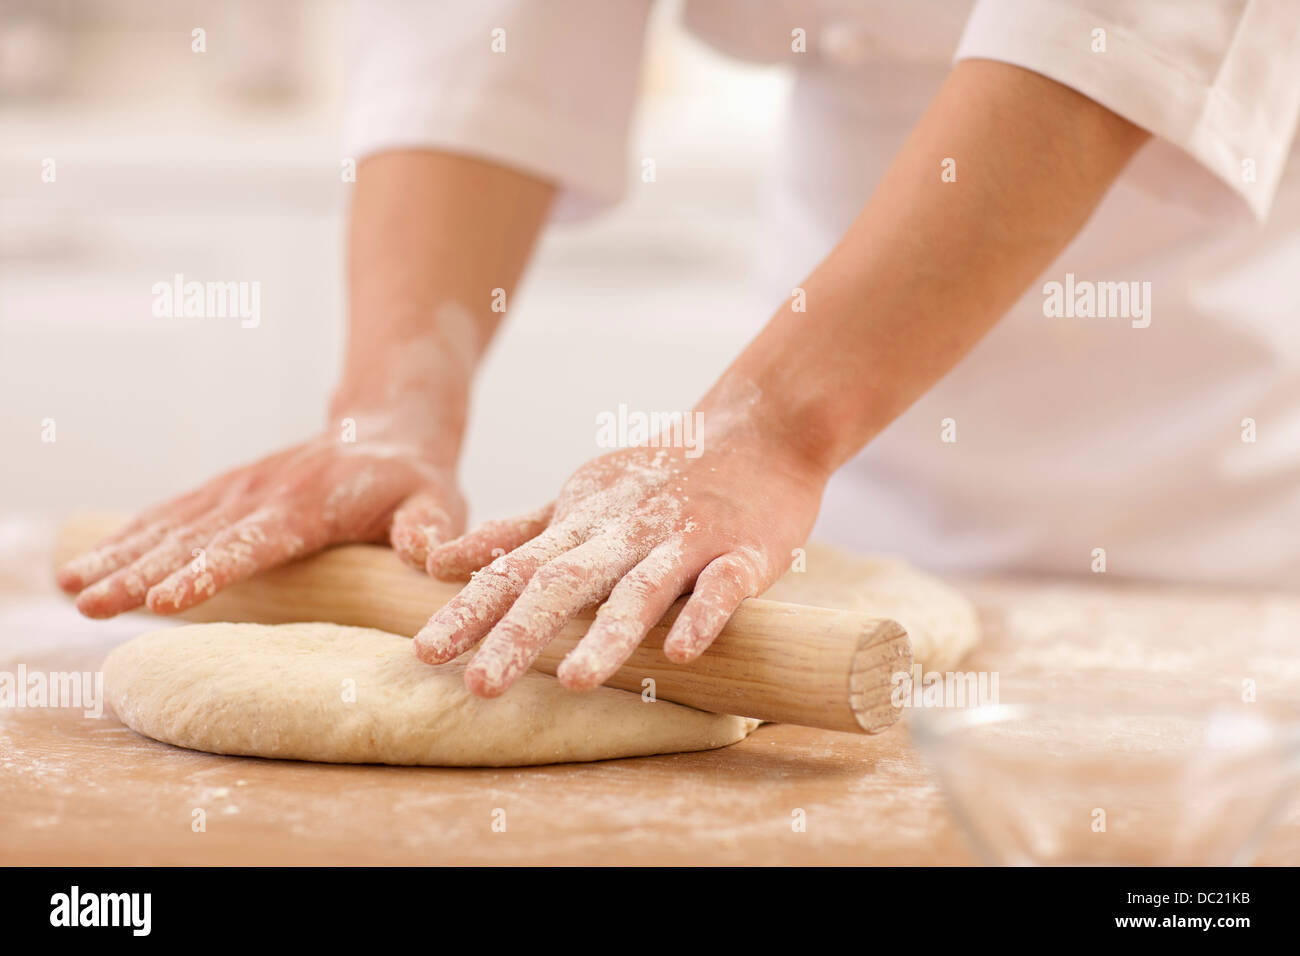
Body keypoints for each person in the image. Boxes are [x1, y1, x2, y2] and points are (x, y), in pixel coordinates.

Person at [57, 1, 1300, 698]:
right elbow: (484, 31)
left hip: (1220, 465)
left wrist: (773, 425)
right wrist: (391, 405)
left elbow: (1113, 35)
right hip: (832, 533)